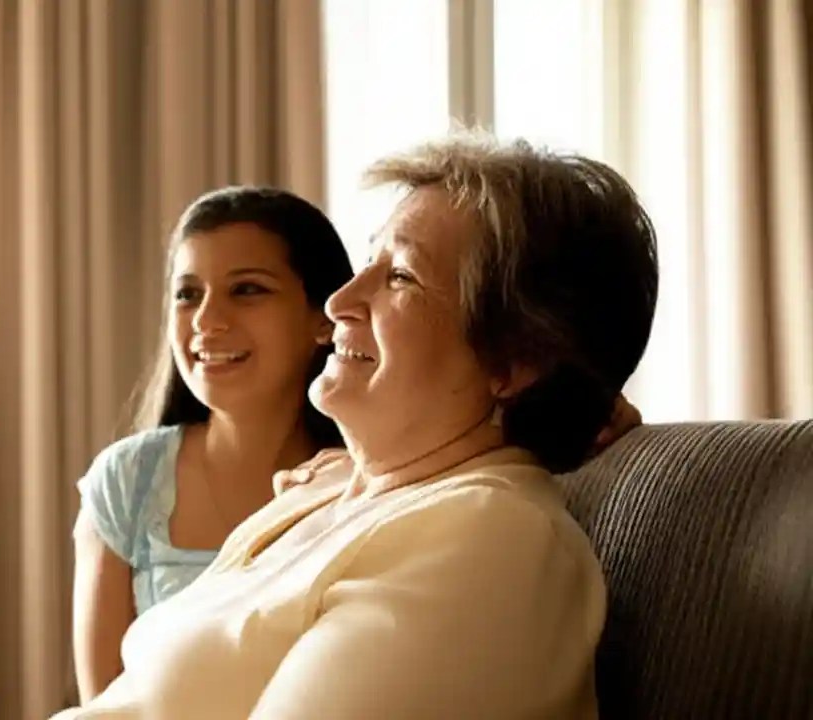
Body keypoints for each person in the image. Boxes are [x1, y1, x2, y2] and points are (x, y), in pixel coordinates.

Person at [56, 133, 659, 718]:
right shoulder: (327, 494)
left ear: (513, 359)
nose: (340, 300)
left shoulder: (493, 537)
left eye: (400, 276)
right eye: (369, 261)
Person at [71, 187, 355, 701]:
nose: (206, 320)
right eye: (187, 294)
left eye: (246, 290)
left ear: (324, 317)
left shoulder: (368, 483)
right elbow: (106, 706)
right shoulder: (126, 485)